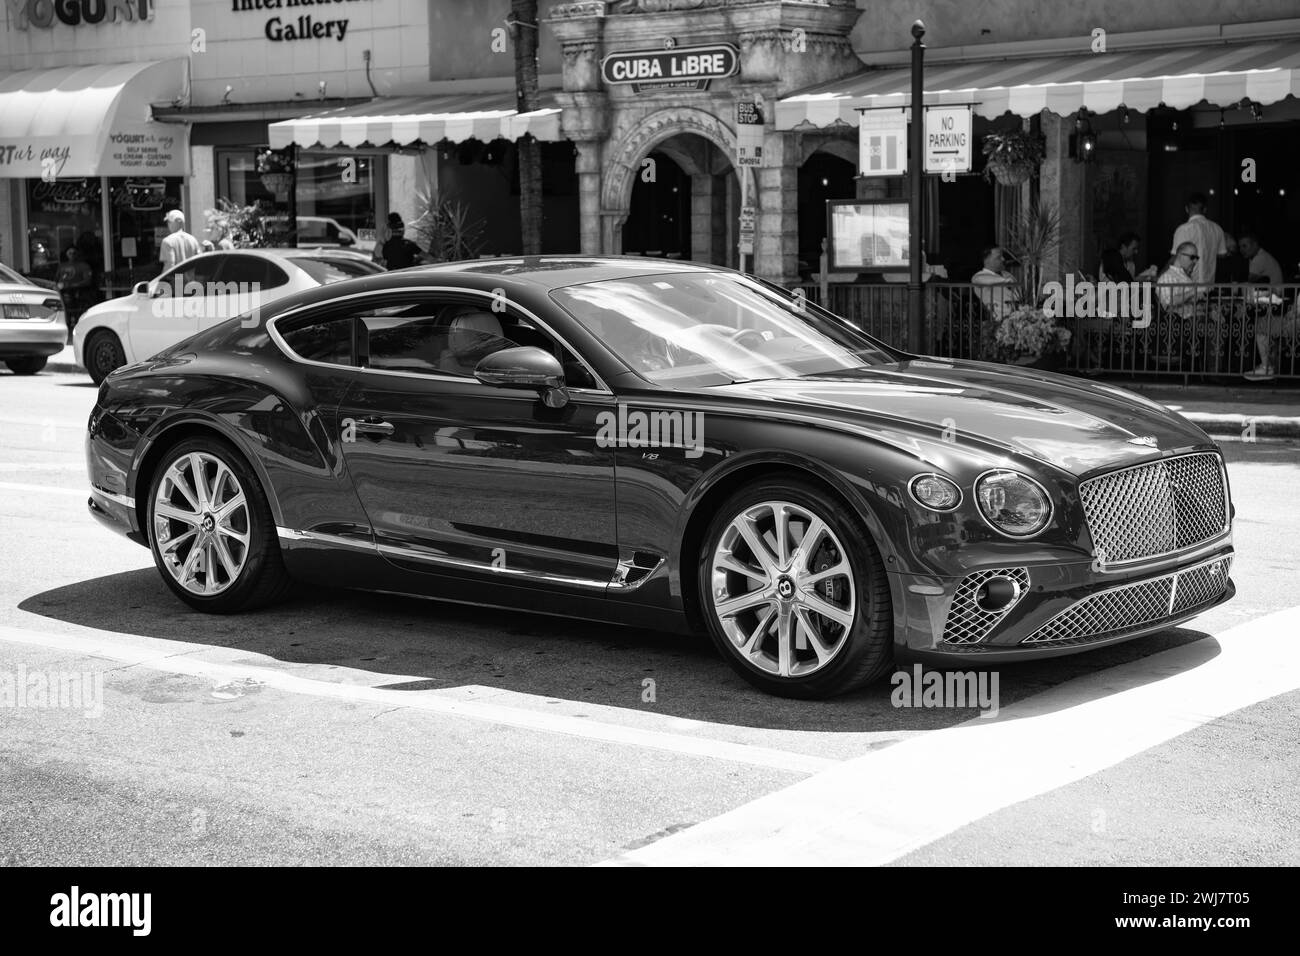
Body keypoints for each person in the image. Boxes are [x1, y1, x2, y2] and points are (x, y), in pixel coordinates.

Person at [1169, 193, 1226, 287]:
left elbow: (1175, 259)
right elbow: (1222, 255)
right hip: (1209, 286)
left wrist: (1160, 277)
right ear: (1205, 209)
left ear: (1186, 209)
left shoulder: (1184, 229)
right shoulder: (1217, 229)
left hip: (1188, 288)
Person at [971, 246, 1021, 319]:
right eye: (998, 257)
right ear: (987, 260)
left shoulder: (1007, 274)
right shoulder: (979, 276)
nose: (1003, 259)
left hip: (1018, 317)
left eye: (1002, 256)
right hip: (997, 321)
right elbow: (980, 279)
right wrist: (1006, 281)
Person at [55, 247, 94, 325]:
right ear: (66, 254)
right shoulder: (62, 266)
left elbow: (88, 280)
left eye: (74, 253)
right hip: (63, 291)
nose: (72, 255)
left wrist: (75, 285)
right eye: (70, 253)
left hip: (78, 291)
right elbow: (56, 279)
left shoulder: (83, 265)